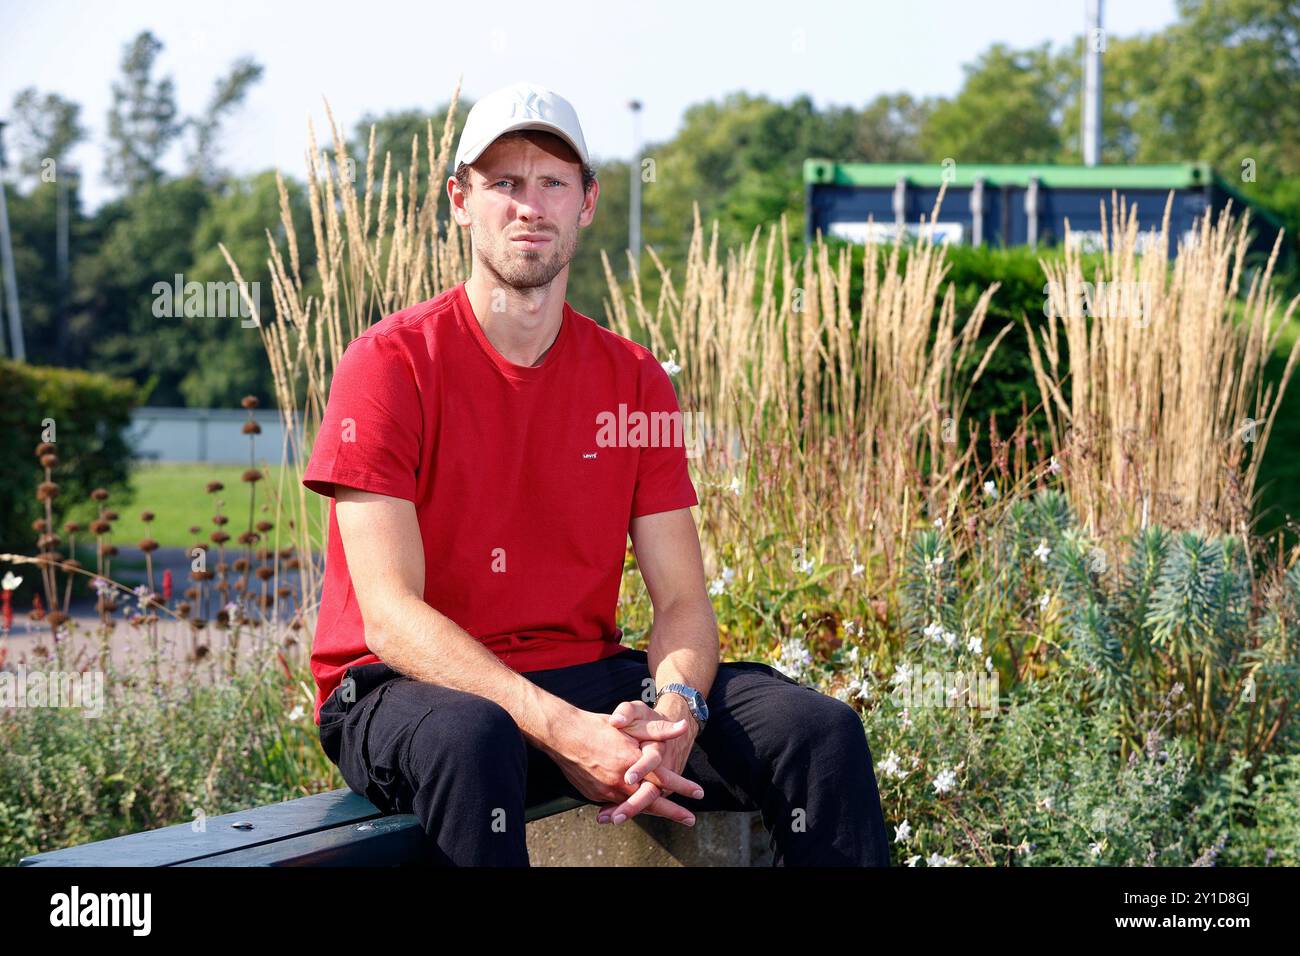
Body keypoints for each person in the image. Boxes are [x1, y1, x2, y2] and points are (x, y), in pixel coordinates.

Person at [303, 80, 890, 866]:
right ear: (459, 200)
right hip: (405, 691)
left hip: (581, 674)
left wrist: (677, 712)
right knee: (474, 738)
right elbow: (388, 615)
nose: (528, 205)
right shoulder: (390, 364)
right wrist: (557, 727)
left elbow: (682, 602)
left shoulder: (634, 379)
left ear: (586, 202)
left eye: (552, 182)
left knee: (817, 733)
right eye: (504, 183)